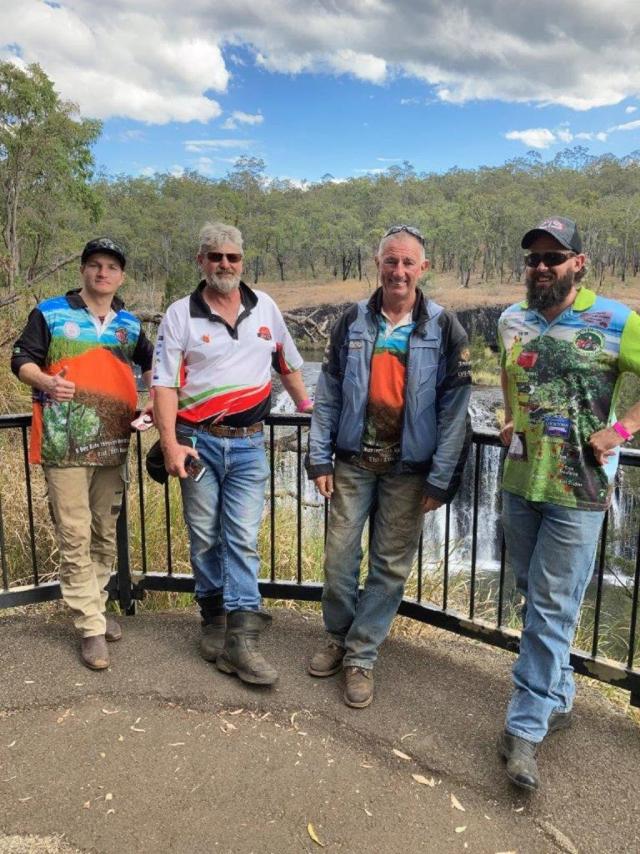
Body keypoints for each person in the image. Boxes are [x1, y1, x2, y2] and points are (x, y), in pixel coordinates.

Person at [497, 216, 640, 791]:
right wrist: (510, 415)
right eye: (533, 258)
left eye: (553, 258)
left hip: (579, 492)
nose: (541, 267)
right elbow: (507, 373)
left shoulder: (617, 320)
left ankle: (524, 729)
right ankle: (558, 697)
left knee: (552, 607)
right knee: (532, 595)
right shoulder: (511, 319)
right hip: (519, 483)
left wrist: (622, 430)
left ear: (578, 263)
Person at [306, 224, 472, 708]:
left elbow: (454, 414)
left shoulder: (444, 328)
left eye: (407, 263)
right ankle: (338, 636)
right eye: (390, 261)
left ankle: (361, 655)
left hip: (409, 471)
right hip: (353, 463)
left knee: (389, 567)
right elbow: (328, 395)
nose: (398, 271)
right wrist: (319, 457)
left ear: (423, 268)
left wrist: (441, 480)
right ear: (378, 264)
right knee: (339, 559)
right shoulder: (352, 321)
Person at [152, 221, 312, 686]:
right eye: (216, 256)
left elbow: (287, 364)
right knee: (205, 536)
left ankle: (242, 639)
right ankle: (213, 618)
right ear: (201, 261)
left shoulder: (266, 308)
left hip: (249, 445)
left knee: (241, 537)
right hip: (197, 443)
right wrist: (170, 444)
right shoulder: (180, 314)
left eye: (233, 257)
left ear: (243, 261)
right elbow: (164, 384)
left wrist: (307, 409)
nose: (225, 264)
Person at [11, 238, 154, 670]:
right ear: (83, 270)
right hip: (63, 444)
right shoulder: (51, 313)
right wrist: (46, 381)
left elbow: (155, 362)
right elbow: (21, 360)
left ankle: (96, 605)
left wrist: (150, 400)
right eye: (95, 264)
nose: (102, 273)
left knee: (104, 532)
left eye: (111, 267)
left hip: (114, 444)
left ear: (121, 276)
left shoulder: (129, 323)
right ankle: (91, 626)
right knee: (74, 533)